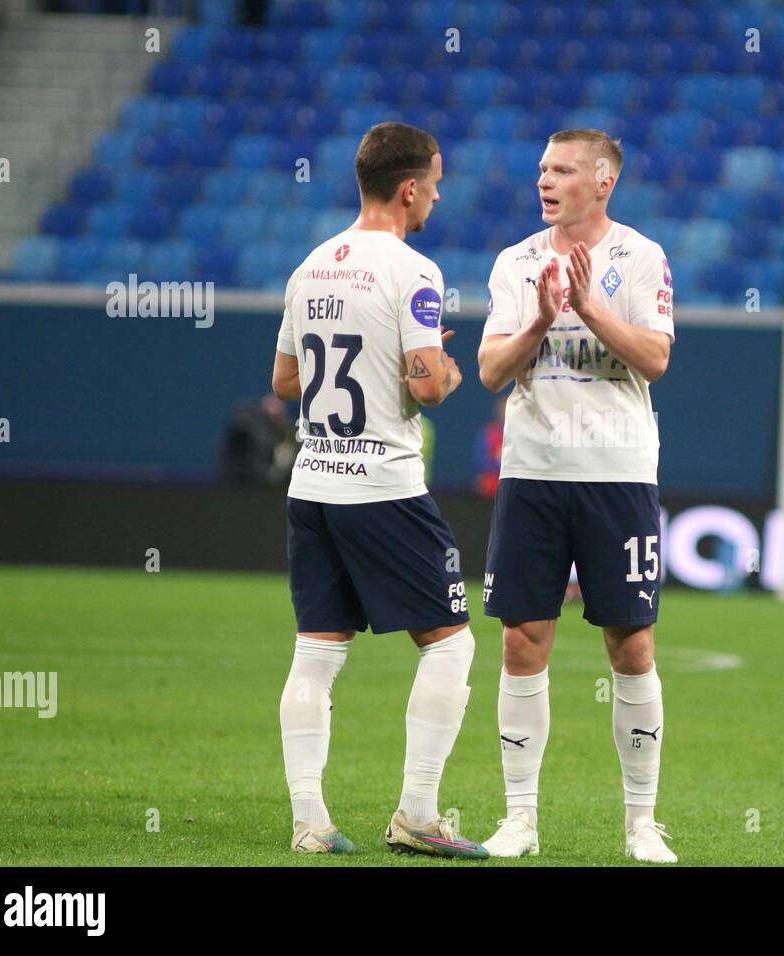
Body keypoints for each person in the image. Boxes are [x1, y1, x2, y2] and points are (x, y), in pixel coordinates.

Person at [270, 121, 487, 859]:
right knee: (452, 648)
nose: (438, 193)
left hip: (313, 483)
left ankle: (310, 823)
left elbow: (285, 382)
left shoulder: (311, 267)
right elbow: (427, 384)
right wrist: (442, 372)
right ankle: (418, 814)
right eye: (435, 181)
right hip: (383, 486)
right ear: (408, 188)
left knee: (316, 654)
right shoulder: (413, 272)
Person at [476, 128, 677, 862]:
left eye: (561, 169)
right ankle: (519, 819)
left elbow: (655, 358)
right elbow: (492, 371)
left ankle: (641, 823)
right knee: (522, 641)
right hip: (532, 473)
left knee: (632, 644)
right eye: (541, 169)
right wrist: (539, 316)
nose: (545, 180)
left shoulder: (640, 256)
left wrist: (590, 309)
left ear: (603, 181)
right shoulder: (517, 262)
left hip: (618, 475)